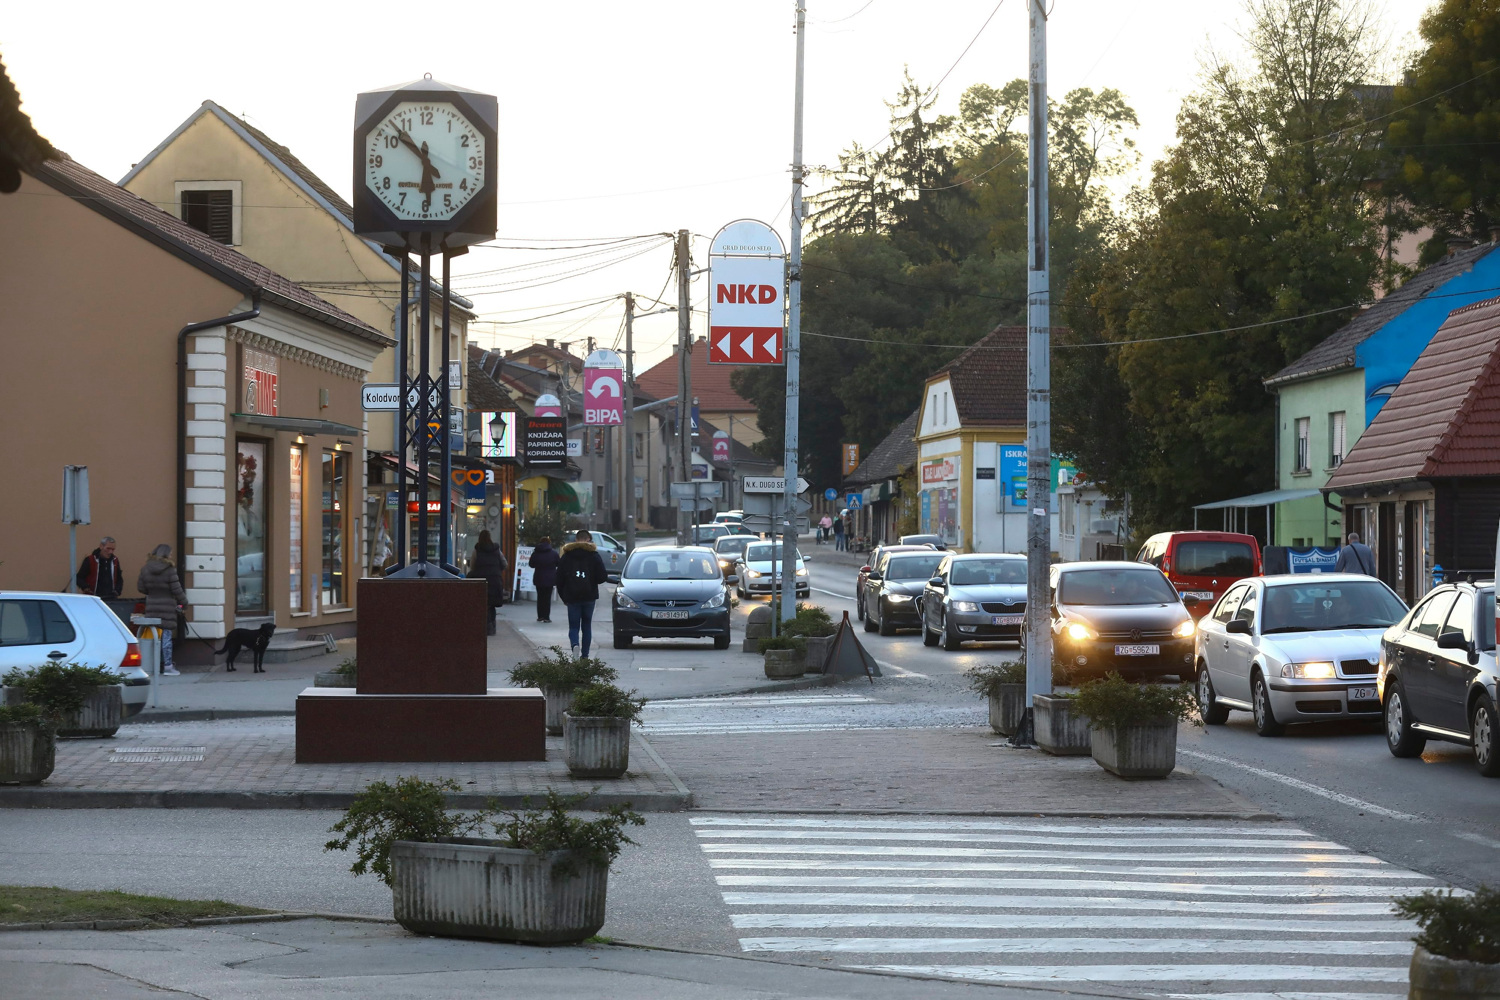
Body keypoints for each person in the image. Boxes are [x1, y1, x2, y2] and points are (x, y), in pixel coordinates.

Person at [555, 529, 608, 658]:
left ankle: (575, 645)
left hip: (572, 597)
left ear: (576, 539)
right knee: (586, 626)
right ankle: (585, 656)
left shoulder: (567, 556)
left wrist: (564, 597)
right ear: (588, 540)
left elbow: (559, 579)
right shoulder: (594, 555)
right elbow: (602, 577)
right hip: (589, 596)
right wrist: (592, 579)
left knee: (573, 627)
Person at [138, 544, 187, 675]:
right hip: (167, 607)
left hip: (151, 606)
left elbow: (141, 588)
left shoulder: (145, 569)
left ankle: (150, 664)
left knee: (152, 637)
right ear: (166, 554)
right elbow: (177, 590)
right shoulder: (170, 570)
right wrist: (184, 603)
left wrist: (153, 593)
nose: (171, 556)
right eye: (170, 554)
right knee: (166, 637)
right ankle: (168, 666)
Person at [468, 530, 509, 636]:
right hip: (495, 580)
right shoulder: (496, 549)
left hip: (481, 581)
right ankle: (493, 626)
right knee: (492, 604)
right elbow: (505, 563)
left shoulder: (477, 550)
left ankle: (487, 627)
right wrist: (497, 570)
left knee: (484, 604)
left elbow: (472, 566)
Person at [76, 536, 124, 600]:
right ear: (101, 546)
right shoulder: (90, 560)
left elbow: (119, 579)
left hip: (111, 598)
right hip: (92, 598)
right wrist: (85, 587)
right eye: (108, 548)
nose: (110, 552)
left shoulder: (115, 561)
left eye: (113, 549)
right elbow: (79, 577)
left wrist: (117, 591)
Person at [528, 536, 560, 623]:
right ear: (549, 543)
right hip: (550, 578)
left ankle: (540, 616)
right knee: (547, 598)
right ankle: (546, 617)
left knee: (540, 597)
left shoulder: (536, 553)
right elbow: (559, 564)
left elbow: (531, 564)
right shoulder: (554, 553)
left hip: (539, 577)